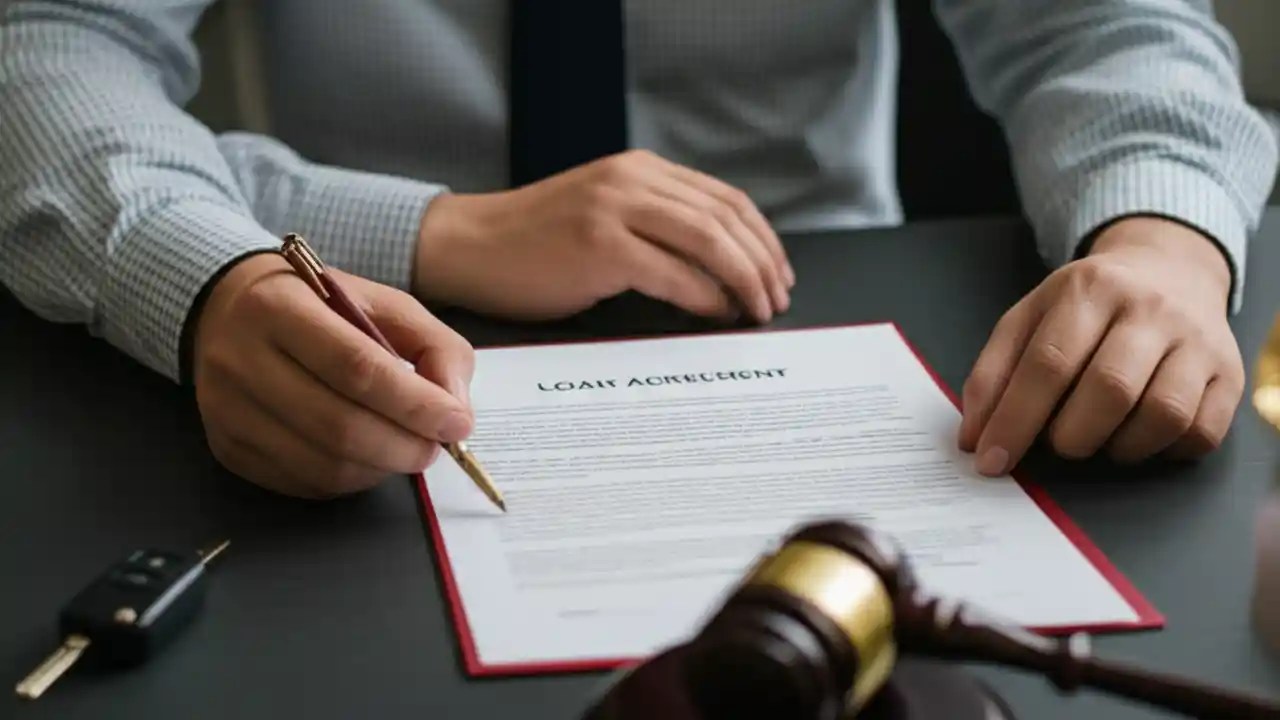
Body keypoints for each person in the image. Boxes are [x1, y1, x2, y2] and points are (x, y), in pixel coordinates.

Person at [1, 1, 1276, 499]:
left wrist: (1164, 240)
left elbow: (1103, 28)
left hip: (836, 335)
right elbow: (52, 41)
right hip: (355, 331)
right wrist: (414, 233)